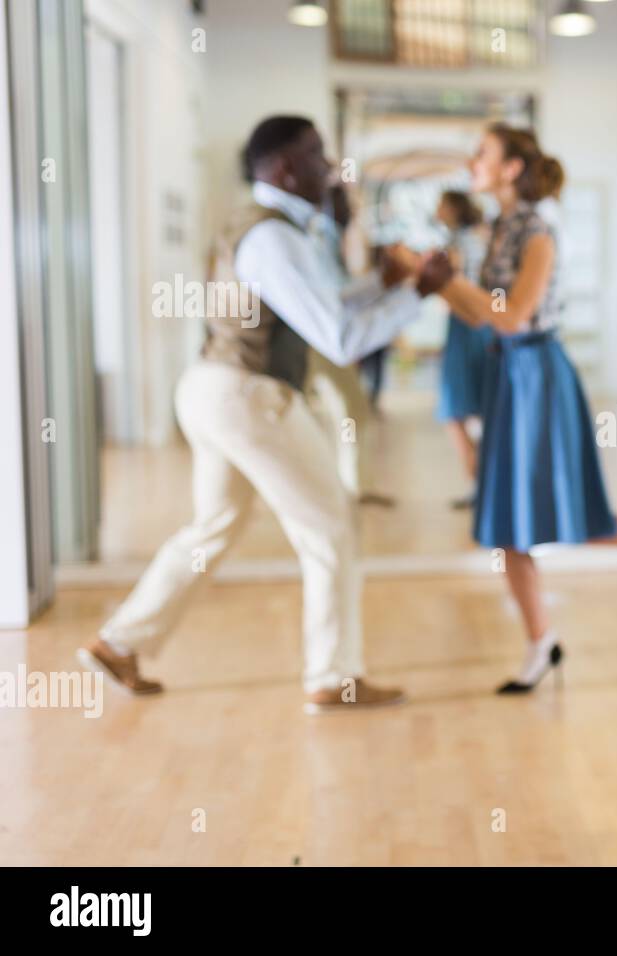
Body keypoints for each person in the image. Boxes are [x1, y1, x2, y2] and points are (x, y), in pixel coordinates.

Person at [81, 115, 442, 713]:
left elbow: (324, 303)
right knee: (331, 527)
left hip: (214, 389)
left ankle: (120, 641)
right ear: (283, 168)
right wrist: (415, 296)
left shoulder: (277, 228)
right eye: (317, 153)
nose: (330, 167)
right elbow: (339, 338)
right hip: (248, 398)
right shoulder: (272, 237)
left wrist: (384, 283)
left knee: (212, 527)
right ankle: (333, 675)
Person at [421, 123, 617, 693]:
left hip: (536, 376)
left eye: (483, 153)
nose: (473, 161)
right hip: (509, 374)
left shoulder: (537, 230)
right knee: (504, 525)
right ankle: (541, 642)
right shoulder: (498, 229)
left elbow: (513, 313)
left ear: (512, 167)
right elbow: (481, 314)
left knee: (576, 520)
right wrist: (439, 284)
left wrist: (447, 284)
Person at [303, 182, 395, 508]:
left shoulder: (328, 237)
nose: (351, 213)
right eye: (347, 206)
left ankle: (354, 486)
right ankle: (347, 489)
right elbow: (336, 296)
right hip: (316, 342)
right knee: (348, 410)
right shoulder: (318, 237)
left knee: (352, 410)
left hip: (323, 340)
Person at [433, 190, 492, 509]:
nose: (437, 210)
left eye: (442, 204)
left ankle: (479, 486)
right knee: (479, 409)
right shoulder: (480, 238)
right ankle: (484, 486)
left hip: (465, 326)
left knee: (453, 408)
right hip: (481, 327)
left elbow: (453, 288)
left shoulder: (457, 244)